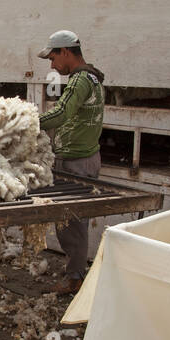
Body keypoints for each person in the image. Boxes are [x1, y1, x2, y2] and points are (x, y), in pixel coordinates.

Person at [37, 29, 105, 295]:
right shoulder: (92, 77)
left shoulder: (79, 81)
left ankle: (75, 279)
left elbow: (62, 113)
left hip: (76, 161)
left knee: (71, 221)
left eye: (53, 58)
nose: (53, 66)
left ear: (66, 52)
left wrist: (24, 123)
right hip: (84, 157)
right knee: (73, 220)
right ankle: (75, 274)